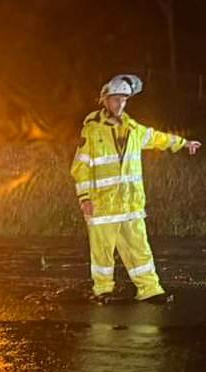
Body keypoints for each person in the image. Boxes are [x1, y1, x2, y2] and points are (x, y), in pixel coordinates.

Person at [70, 74, 201, 304]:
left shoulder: (134, 129)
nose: (120, 104)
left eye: (124, 99)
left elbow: (158, 138)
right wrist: (84, 198)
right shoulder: (92, 131)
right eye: (115, 99)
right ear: (105, 100)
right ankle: (103, 291)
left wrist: (183, 143)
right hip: (102, 206)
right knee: (102, 253)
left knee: (140, 249)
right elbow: (80, 167)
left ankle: (149, 290)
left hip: (130, 205)